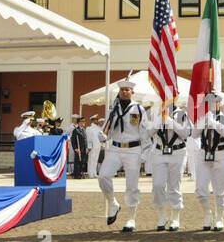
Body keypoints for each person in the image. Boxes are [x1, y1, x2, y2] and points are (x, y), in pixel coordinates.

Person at [98, 80, 150, 232]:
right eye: (122, 90)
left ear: (132, 92)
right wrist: (103, 137)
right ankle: (113, 203)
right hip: (115, 148)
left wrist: (145, 152)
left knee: (131, 185)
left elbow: (144, 131)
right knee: (103, 176)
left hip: (133, 149)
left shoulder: (139, 109)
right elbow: (107, 129)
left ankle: (131, 218)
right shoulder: (113, 109)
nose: (124, 92)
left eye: (127, 90)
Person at [193, 92, 224, 231]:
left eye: (214, 102)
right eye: (209, 103)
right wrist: (202, 122)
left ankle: (219, 218)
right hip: (204, 154)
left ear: (219, 104)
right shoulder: (203, 118)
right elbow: (193, 135)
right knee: (200, 189)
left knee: (219, 190)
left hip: (221, 154)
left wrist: (215, 124)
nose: (212, 105)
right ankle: (207, 214)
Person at [150, 97, 191, 231]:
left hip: (177, 152)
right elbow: (148, 133)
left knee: (174, 186)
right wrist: (159, 119)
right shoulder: (155, 113)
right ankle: (161, 215)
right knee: (157, 185)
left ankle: (175, 217)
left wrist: (169, 121)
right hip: (159, 152)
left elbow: (185, 133)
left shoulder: (182, 114)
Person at [69, 114, 87, 179]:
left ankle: (81, 173)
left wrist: (87, 148)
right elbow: (73, 140)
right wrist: (75, 148)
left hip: (84, 148)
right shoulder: (76, 130)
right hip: (78, 148)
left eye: (84, 121)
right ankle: (76, 174)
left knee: (82, 161)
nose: (84, 122)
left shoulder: (84, 130)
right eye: (82, 121)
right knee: (77, 162)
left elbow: (85, 140)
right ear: (79, 122)